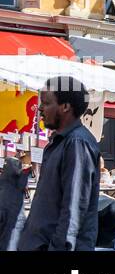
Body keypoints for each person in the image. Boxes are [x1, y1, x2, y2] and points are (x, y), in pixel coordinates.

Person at [17, 77, 99, 251]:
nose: (40, 108)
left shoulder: (77, 143)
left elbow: (74, 208)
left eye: (46, 103)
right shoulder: (59, 142)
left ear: (65, 107)